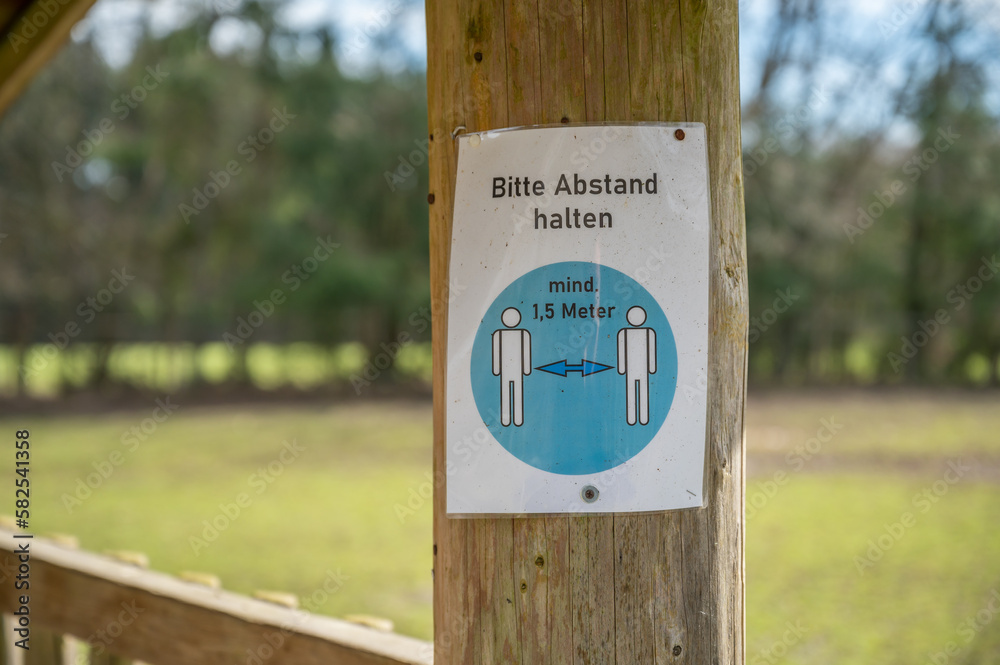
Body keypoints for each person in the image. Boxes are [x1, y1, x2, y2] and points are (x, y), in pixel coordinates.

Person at [492, 307, 531, 426]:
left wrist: (496, 370)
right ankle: (510, 420)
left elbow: (526, 352)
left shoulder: (499, 334)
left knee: (510, 393)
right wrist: (527, 369)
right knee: (512, 393)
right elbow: (496, 353)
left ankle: (511, 420)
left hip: (509, 370)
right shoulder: (523, 334)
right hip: (514, 370)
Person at [617, 306, 656, 425]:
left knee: (637, 392)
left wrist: (622, 369)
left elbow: (651, 351)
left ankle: (637, 419)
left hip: (636, 369)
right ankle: (636, 418)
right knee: (636, 392)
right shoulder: (648, 332)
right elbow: (621, 351)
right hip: (638, 369)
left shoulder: (648, 332)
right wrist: (652, 368)